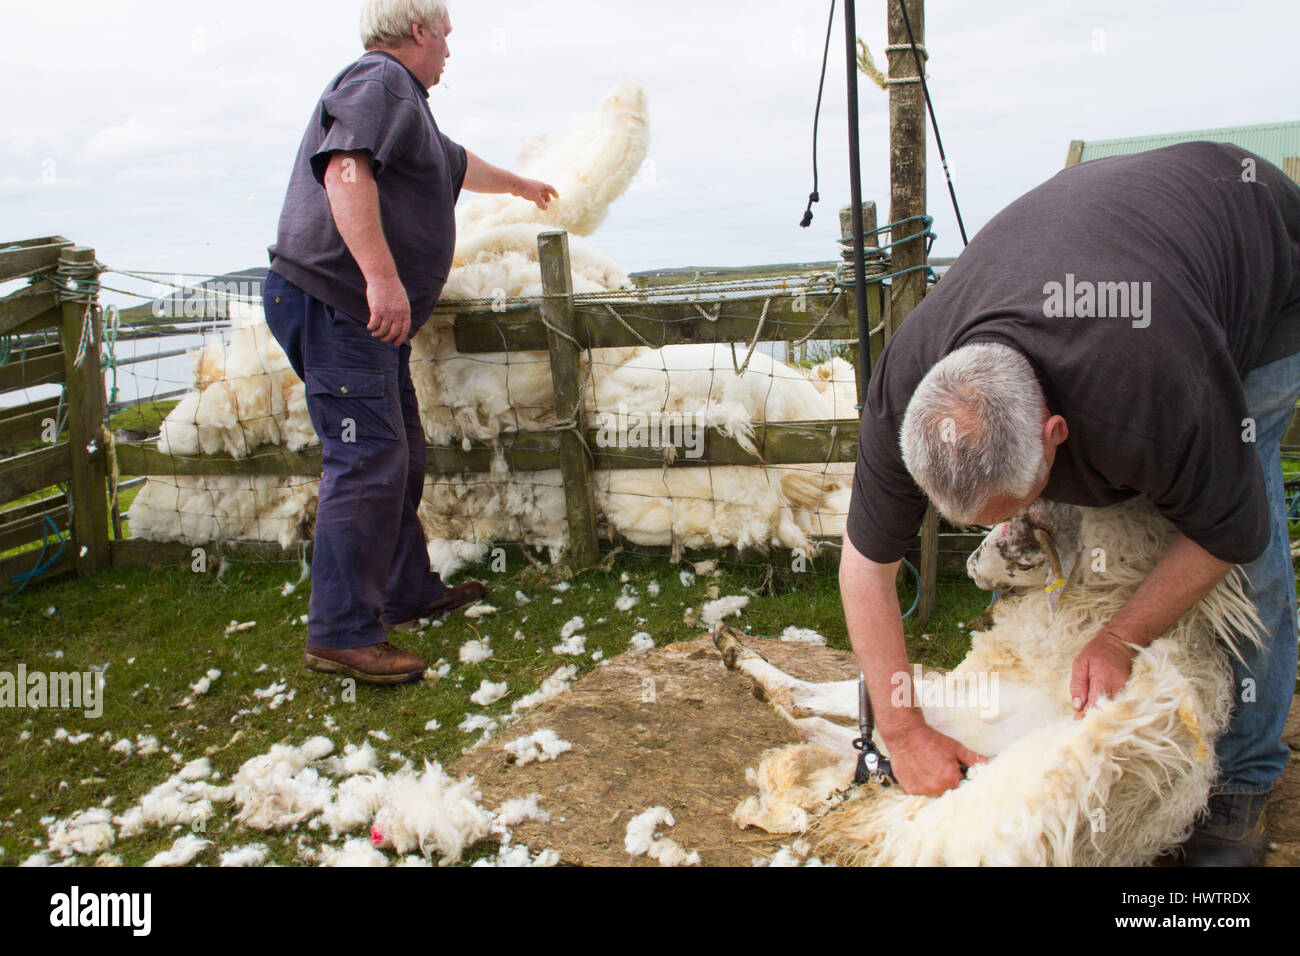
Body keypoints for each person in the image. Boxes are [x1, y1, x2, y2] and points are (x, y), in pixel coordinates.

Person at [842, 141, 1300, 865]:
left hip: (1259, 255)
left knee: (1251, 555)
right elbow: (864, 568)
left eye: (1006, 506)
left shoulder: (1151, 389)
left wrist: (1120, 638)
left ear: (1057, 433)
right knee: (1108, 517)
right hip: (1104, 239)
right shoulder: (907, 394)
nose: (996, 534)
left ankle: (1242, 783)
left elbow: (1229, 534)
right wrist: (901, 733)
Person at [262, 0, 557, 684]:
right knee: (366, 459)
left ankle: (406, 590)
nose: (451, 50)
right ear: (419, 31)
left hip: (355, 312)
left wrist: (518, 184)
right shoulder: (379, 81)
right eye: (447, 35)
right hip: (339, 301)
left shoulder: (408, 106)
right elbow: (344, 170)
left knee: (400, 453)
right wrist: (382, 278)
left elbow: (453, 162)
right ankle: (341, 633)